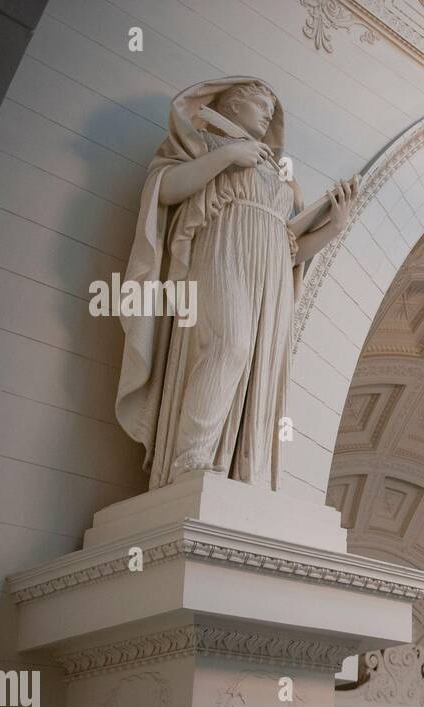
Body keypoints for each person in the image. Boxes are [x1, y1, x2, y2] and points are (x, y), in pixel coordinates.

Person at [114, 77, 358, 490]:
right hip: (221, 251)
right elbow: (166, 189)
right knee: (230, 343)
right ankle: (189, 456)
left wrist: (334, 227)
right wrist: (228, 155)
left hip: (269, 274)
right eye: (260, 103)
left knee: (254, 363)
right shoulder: (206, 146)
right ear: (229, 106)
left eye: (270, 109)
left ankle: (233, 469)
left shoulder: (281, 179)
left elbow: (291, 252)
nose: (268, 113)